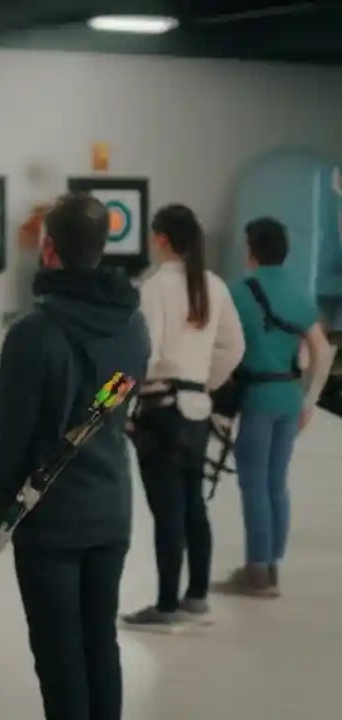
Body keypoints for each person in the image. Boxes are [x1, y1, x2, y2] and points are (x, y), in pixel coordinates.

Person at [0, 193, 149, 720]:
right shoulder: (132, 323)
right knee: (99, 642)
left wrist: (3, 509)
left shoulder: (33, 333)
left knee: (60, 659)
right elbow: (115, 404)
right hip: (110, 508)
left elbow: (10, 436)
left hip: (50, 520)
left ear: (49, 249)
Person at [120, 205, 245, 629]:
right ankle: (196, 597)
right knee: (193, 506)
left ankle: (167, 606)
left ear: (161, 239)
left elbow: (141, 354)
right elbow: (233, 348)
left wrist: (107, 400)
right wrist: (203, 382)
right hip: (197, 410)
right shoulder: (214, 285)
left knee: (168, 512)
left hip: (161, 412)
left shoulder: (153, 288)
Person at [211, 217, 334, 597]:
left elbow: (221, 345)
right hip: (289, 397)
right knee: (276, 483)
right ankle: (272, 565)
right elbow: (323, 352)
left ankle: (256, 572)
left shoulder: (236, 292)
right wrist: (310, 401)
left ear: (250, 252)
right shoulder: (300, 295)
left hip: (257, 398)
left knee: (253, 484)